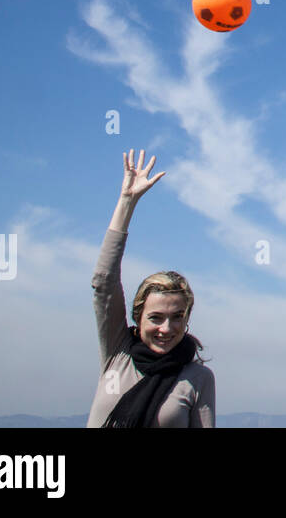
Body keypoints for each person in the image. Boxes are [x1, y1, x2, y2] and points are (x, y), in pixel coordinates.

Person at [86, 150, 215, 427]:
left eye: (177, 317)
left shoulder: (197, 377)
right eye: (156, 317)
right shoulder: (117, 354)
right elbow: (103, 281)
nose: (167, 329)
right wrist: (127, 202)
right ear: (138, 317)